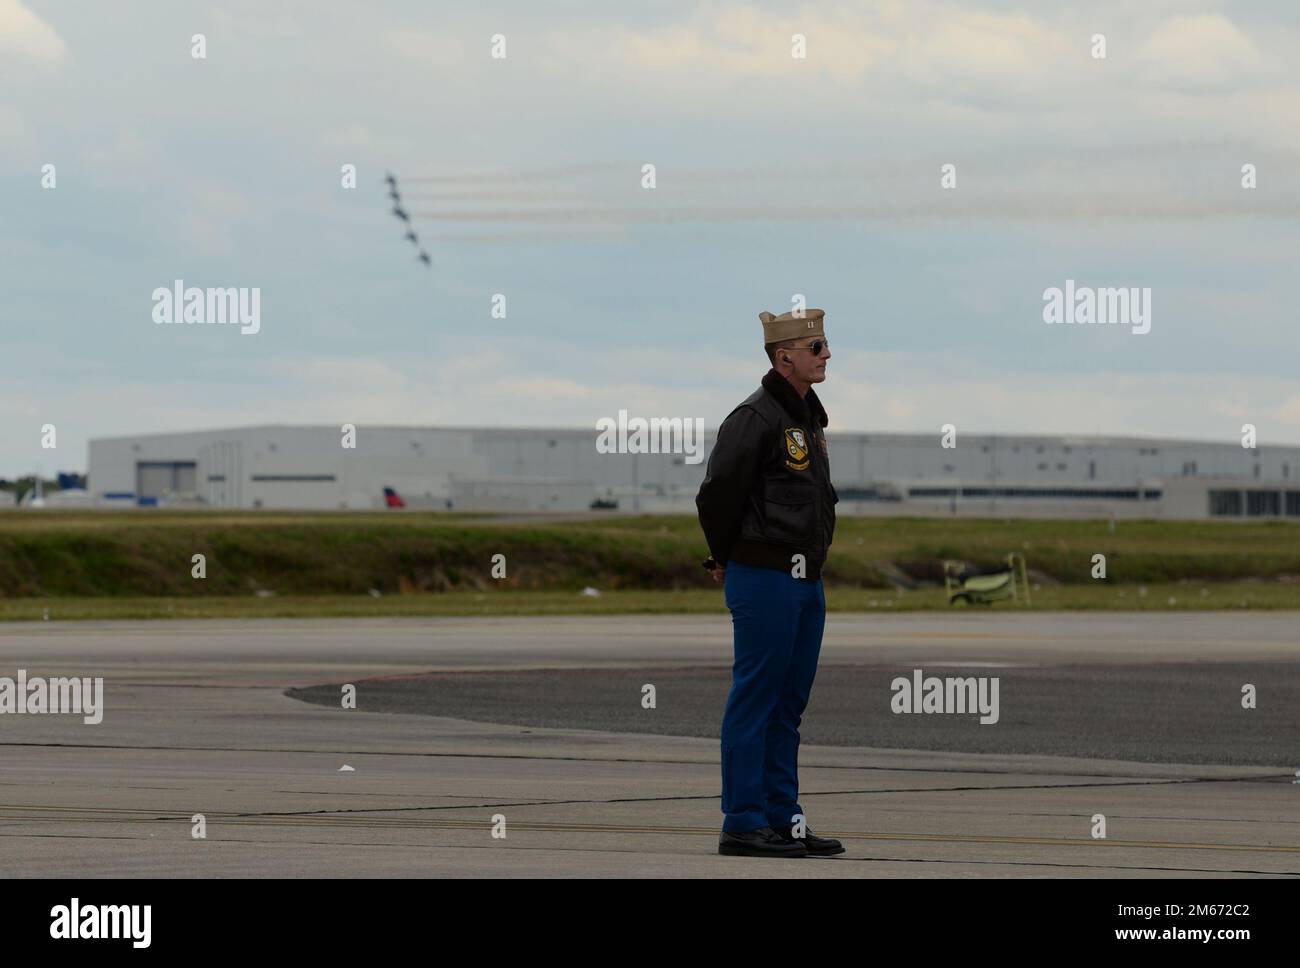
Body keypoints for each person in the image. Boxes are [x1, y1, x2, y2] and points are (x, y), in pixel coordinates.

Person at [696, 307, 843, 858]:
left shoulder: (809, 419)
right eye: (817, 346)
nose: (827, 354)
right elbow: (717, 494)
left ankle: (785, 820)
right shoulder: (754, 419)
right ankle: (743, 821)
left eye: (825, 345)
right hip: (764, 576)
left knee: (788, 705)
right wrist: (723, 556)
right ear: (785, 357)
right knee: (756, 699)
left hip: (806, 581)